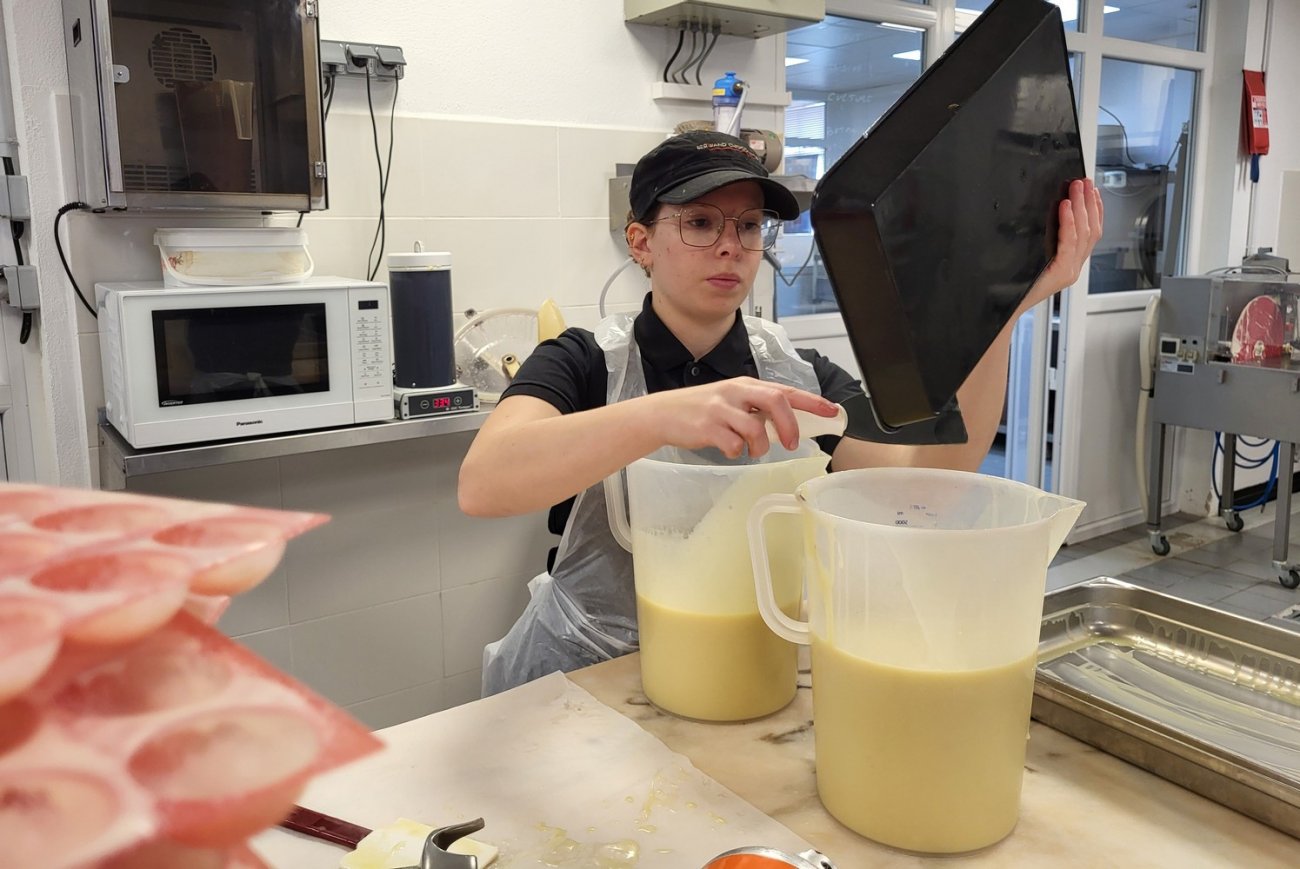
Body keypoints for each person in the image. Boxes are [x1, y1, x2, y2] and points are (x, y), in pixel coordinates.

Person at [460, 131, 1102, 696]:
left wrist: (1007, 312)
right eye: (701, 223)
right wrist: (661, 415)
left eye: (748, 227)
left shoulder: (796, 377)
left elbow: (929, 472)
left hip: (741, 671)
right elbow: (485, 482)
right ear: (640, 242)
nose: (731, 247)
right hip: (584, 674)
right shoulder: (583, 359)